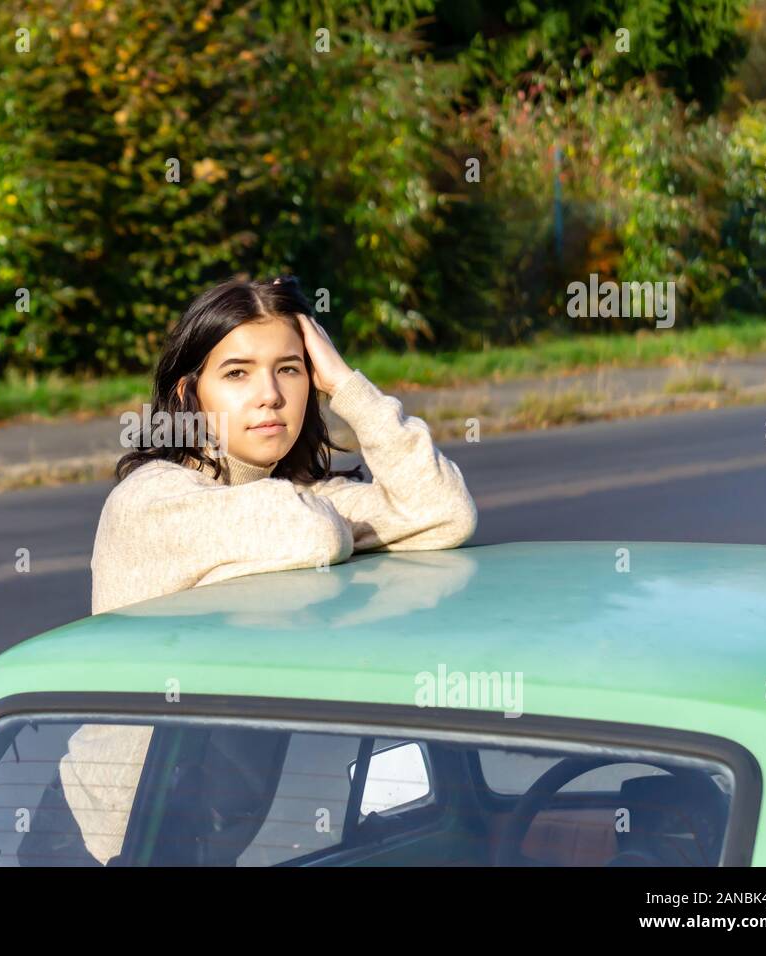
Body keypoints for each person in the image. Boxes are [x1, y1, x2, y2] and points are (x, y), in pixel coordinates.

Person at [52, 275, 478, 865]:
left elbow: (442, 512)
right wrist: (339, 519)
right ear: (188, 394)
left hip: (201, 832)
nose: (269, 395)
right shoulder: (152, 500)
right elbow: (311, 530)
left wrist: (345, 383)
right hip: (101, 841)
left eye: (290, 369)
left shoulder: (293, 493)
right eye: (237, 373)